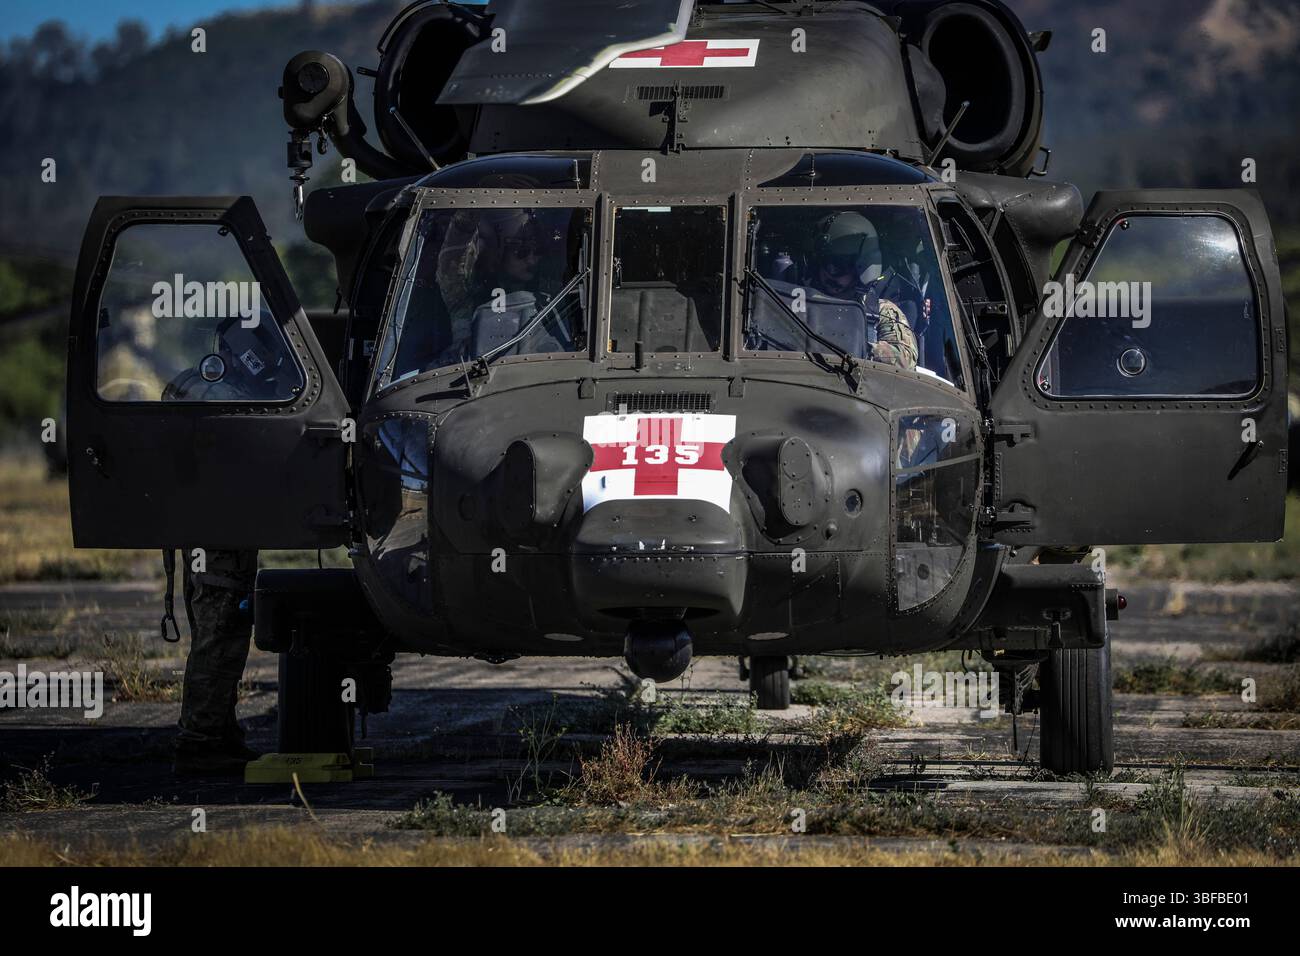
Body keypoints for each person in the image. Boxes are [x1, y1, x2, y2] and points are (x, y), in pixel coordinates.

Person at [172, 548, 259, 777]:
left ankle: (217, 736)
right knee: (219, 639)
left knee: (219, 640)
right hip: (221, 550)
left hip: (218, 546)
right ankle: (201, 744)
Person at [807, 211, 919, 372]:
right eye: (824, 263)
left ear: (861, 266)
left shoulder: (881, 311)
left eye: (839, 266)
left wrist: (858, 347)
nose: (829, 273)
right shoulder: (801, 303)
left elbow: (905, 360)